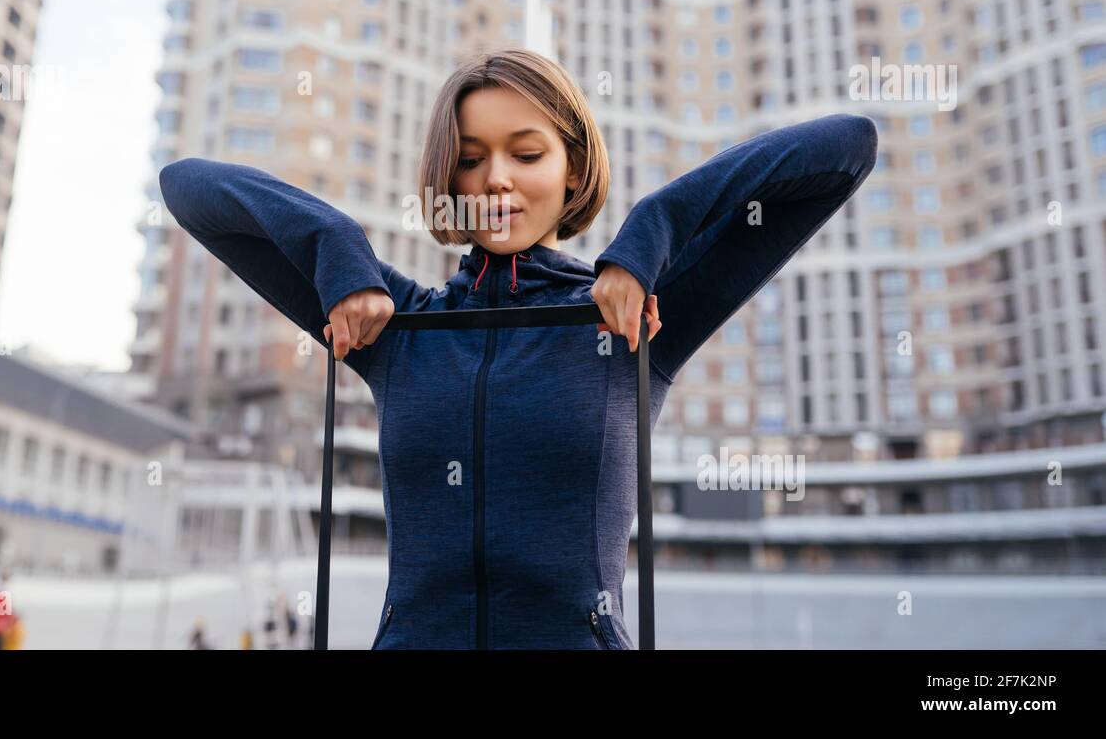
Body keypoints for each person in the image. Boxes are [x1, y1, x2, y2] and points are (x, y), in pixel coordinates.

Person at [158, 48, 877, 649]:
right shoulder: (394, 328)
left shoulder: (632, 321)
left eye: (525, 152)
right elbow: (188, 187)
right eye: (470, 159)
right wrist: (337, 252)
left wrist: (650, 233)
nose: (496, 178)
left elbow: (845, 148)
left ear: (572, 169)